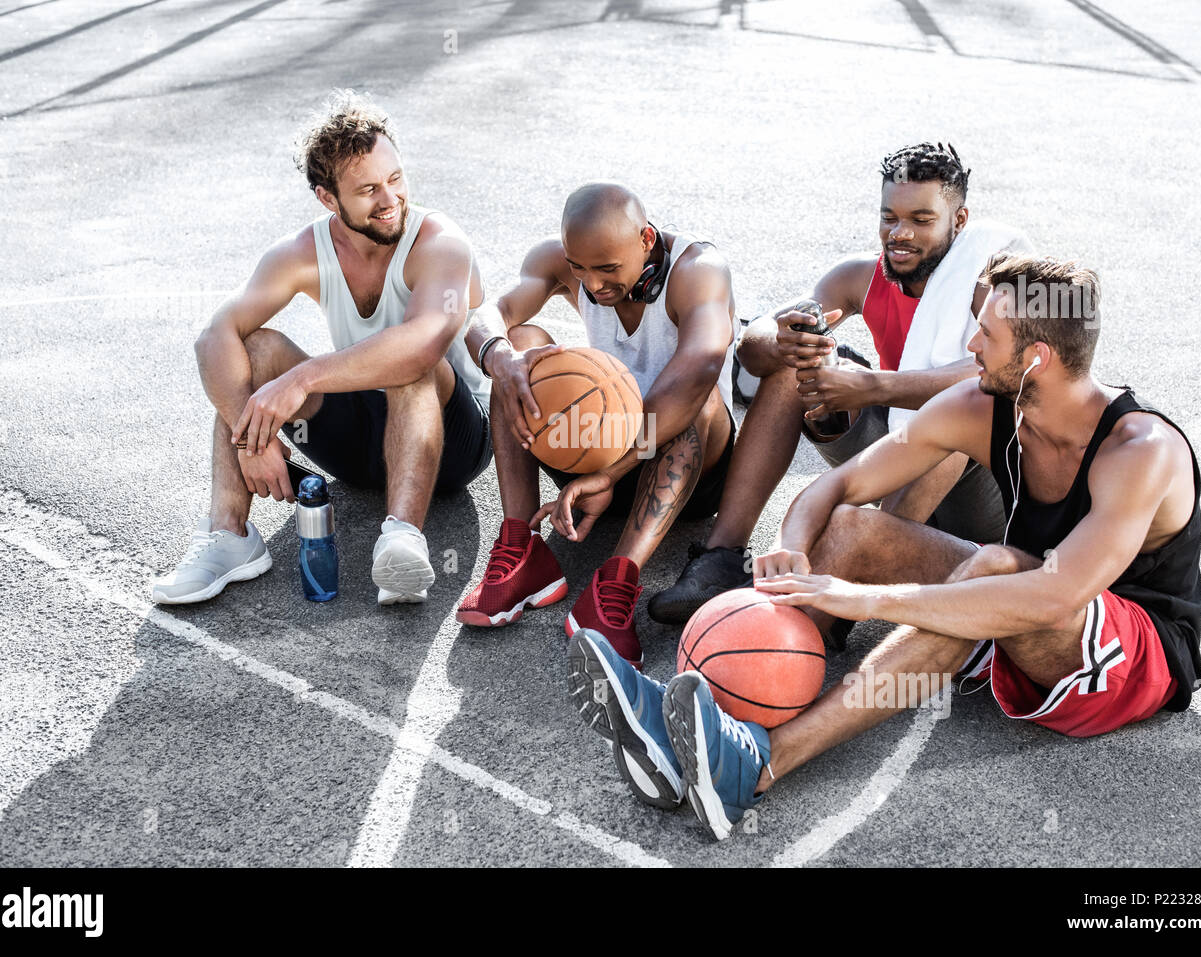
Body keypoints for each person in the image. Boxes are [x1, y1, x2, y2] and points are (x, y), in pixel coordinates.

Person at [570, 254, 1201, 837]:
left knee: (995, 567)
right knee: (853, 528)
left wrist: (865, 600)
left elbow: (1053, 595)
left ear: (1036, 357)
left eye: (987, 333)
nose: (970, 344)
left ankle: (759, 763)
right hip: (1020, 599)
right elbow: (843, 485)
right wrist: (793, 547)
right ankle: (683, 719)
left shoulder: (1140, 451)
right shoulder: (987, 405)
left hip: (1130, 658)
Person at [650, 143, 1029, 633]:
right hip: (898, 452)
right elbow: (752, 347)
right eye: (889, 216)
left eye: (921, 219)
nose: (900, 233)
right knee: (796, 363)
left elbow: (990, 378)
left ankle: (840, 590)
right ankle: (721, 559)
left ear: (959, 222)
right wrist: (786, 336)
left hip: (983, 496)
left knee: (958, 411)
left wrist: (871, 386)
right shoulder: (861, 276)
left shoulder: (990, 281)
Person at [152, 90, 492, 606]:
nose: (389, 199)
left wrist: (301, 379)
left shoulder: (440, 242)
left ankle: (401, 538)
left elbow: (422, 346)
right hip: (361, 447)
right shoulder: (302, 253)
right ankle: (229, 536)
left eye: (396, 179)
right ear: (328, 198)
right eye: (368, 189)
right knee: (256, 348)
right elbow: (214, 335)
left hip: (451, 441)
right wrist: (252, 435)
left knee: (410, 365)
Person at [457, 183, 736, 669]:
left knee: (702, 399)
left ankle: (615, 581)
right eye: (580, 268)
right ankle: (523, 550)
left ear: (647, 239)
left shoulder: (699, 271)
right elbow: (487, 314)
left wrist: (613, 472)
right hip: (597, 453)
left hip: (683, 469)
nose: (594, 285)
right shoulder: (562, 263)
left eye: (609, 269)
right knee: (521, 352)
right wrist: (498, 356)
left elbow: (699, 369)